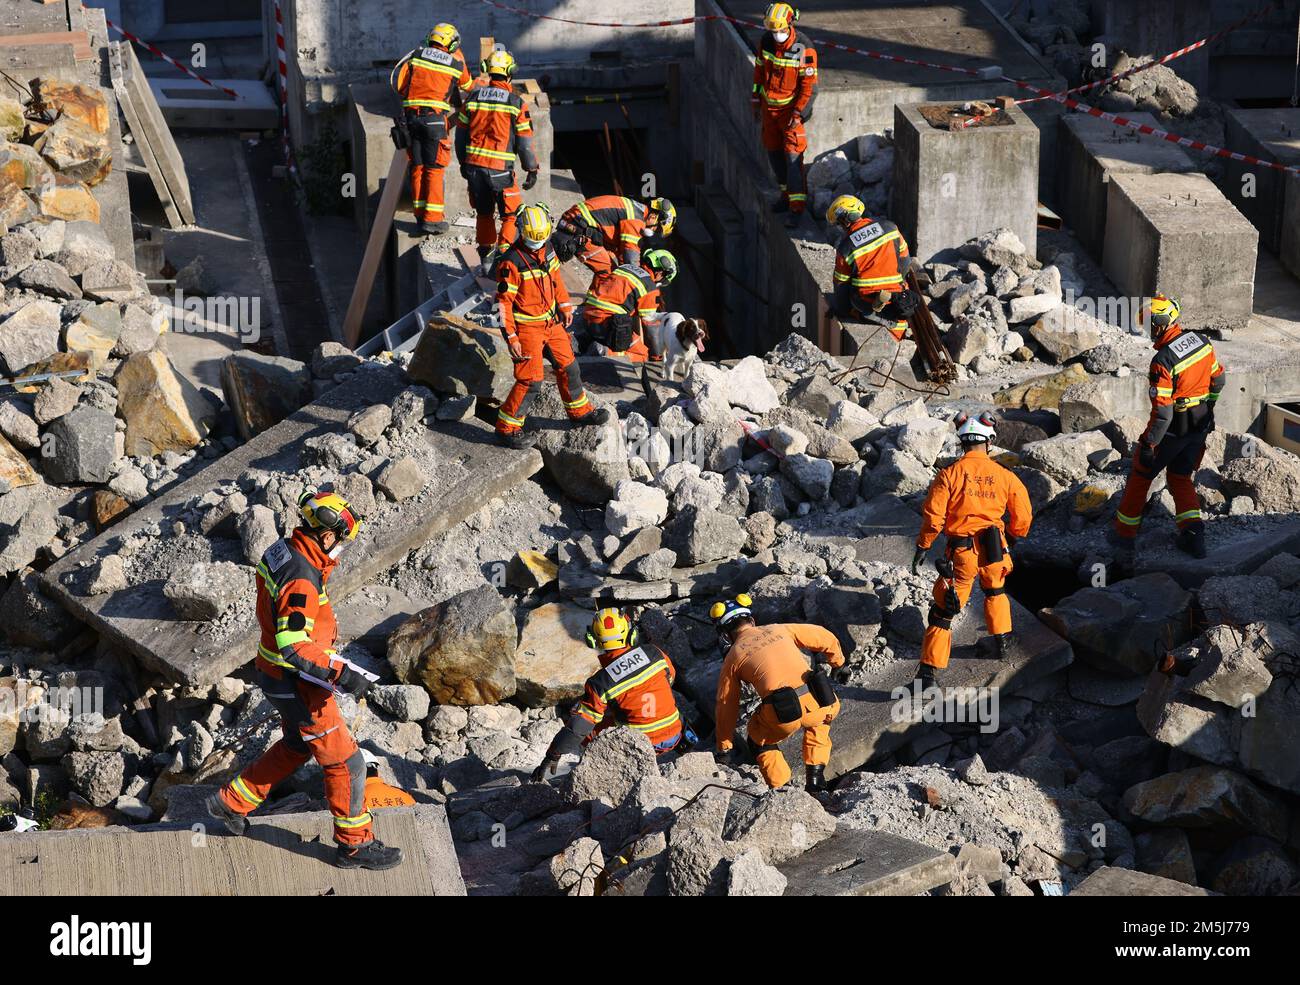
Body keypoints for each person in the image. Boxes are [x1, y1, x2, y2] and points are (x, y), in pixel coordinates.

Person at [206, 490, 402, 870]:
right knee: (347, 763)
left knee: (297, 745)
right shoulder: (302, 576)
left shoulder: (283, 550)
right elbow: (294, 645)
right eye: (341, 541)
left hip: (273, 673)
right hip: (300, 682)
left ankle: (230, 802)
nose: (340, 549)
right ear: (327, 537)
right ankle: (354, 844)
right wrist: (342, 673)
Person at [911, 412, 1033, 687]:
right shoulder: (1005, 476)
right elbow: (1023, 516)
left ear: (962, 442)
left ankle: (928, 675)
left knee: (943, 611)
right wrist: (1012, 538)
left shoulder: (949, 475)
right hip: (995, 550)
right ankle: (1001, 642)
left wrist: (923, 546)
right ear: (989, 442)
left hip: (961, 553)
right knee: (995, 591)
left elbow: (933, 518)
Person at [1113, 294, 1225, 559]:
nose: (1147, 330)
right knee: (1179, 477)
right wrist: (1208, 409)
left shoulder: (1163, 360)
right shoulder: (1202, 341)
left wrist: (1150, 443)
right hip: (1199, 426)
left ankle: (1123, 537)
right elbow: (1218, 381)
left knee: (1141, 475)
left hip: (1173, 430)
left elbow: (1163, 413)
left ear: (1161, 324)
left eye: (1149, 324)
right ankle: (1194, 536)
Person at [494, 203, 611, 448]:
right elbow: (503, 304)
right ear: (522, 233)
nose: (537, 244)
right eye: (533, 240)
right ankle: (507, 428)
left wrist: (565, 306)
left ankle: (579, 413)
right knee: (530, 380)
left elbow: (556, 279)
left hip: (551, 322)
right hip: (527, 328)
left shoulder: (547, 249)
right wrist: (512, 338)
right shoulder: (511, 263)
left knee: (569, 367)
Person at [531, 608, 687, 781]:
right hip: (676, 734)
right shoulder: (654, 652)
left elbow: (578, 727)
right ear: (631, 634)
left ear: (592, 640)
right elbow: (670, 677)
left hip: (643, 745)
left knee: (591, 728)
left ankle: (602, 769)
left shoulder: (600, 683)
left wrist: (553, 754)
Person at [712, 595, 844, 793]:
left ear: (725, 635)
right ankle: (816, 782)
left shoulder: (733, 657)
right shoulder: (778, 629)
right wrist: (839, 664)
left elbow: (725, 705)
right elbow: (823, 636)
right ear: (752, 620)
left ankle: (783, 790)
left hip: (783, 714)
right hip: (819, 699)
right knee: (819, 725)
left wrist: (724, 746)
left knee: (759, 740)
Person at [455, 47, 537, 261]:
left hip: (474, 169)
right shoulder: (516, 103)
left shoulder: (472, 99)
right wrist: (531, 169)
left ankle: (485, 258)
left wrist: (464, 165)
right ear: (510, 72)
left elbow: (460, 137)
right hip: (501, 172)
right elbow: (525, 143)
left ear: (487, 71)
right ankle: (503, 257)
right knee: (511, 214)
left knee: (483, 213)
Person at [392, 23, 473, 235]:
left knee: (417, 166)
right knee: (435, 169)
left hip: (410, 120)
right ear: (453, 44)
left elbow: (400, 86)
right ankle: (433, 220)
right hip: (434, 121)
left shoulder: (416, 56)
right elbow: (468, 87)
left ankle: (419, 215)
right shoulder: (456, 62)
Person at [752, 2, 817, 226]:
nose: (776, 34)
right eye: (773, 30)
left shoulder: (803, 47)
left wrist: (798, 113)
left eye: (780, 30)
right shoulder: (766, 42)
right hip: (769, 112)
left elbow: (809, 87)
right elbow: (759, 72)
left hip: (790, 114)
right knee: (775, 156)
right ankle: (785, 196)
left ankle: (797, 209)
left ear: (790, 24)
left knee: (793, 159)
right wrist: (754, 99)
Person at [825, 194, 918, 342]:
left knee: (854, 292)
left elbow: (841, 285)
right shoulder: (891, 228)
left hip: (866, 303)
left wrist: (841, 311)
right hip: (898, 300)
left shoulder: (845, 247)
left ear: (844, 221)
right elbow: (905, 263)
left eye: (839, 224)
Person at [570, 249, 677, 362]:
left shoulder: (625, 268)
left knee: (620, 332)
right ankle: (605, 352)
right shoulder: (649, 287)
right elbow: (650, 327)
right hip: (607, 324)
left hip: (588, 315)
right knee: (641, 353)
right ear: (660, 272)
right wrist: (657, 355)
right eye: (664, 277)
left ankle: (580, 341)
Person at [551, 195, 677, 271]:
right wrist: (639, 279)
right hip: (580, 230)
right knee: (608, 272)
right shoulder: (635, 219)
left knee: (612, 265)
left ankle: (595, 301)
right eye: (658, 228)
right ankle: (597, 307)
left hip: (576, 224)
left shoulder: (633, 209)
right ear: (655, 216)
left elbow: (618, 250)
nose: (654, 231)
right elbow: (630, 257)